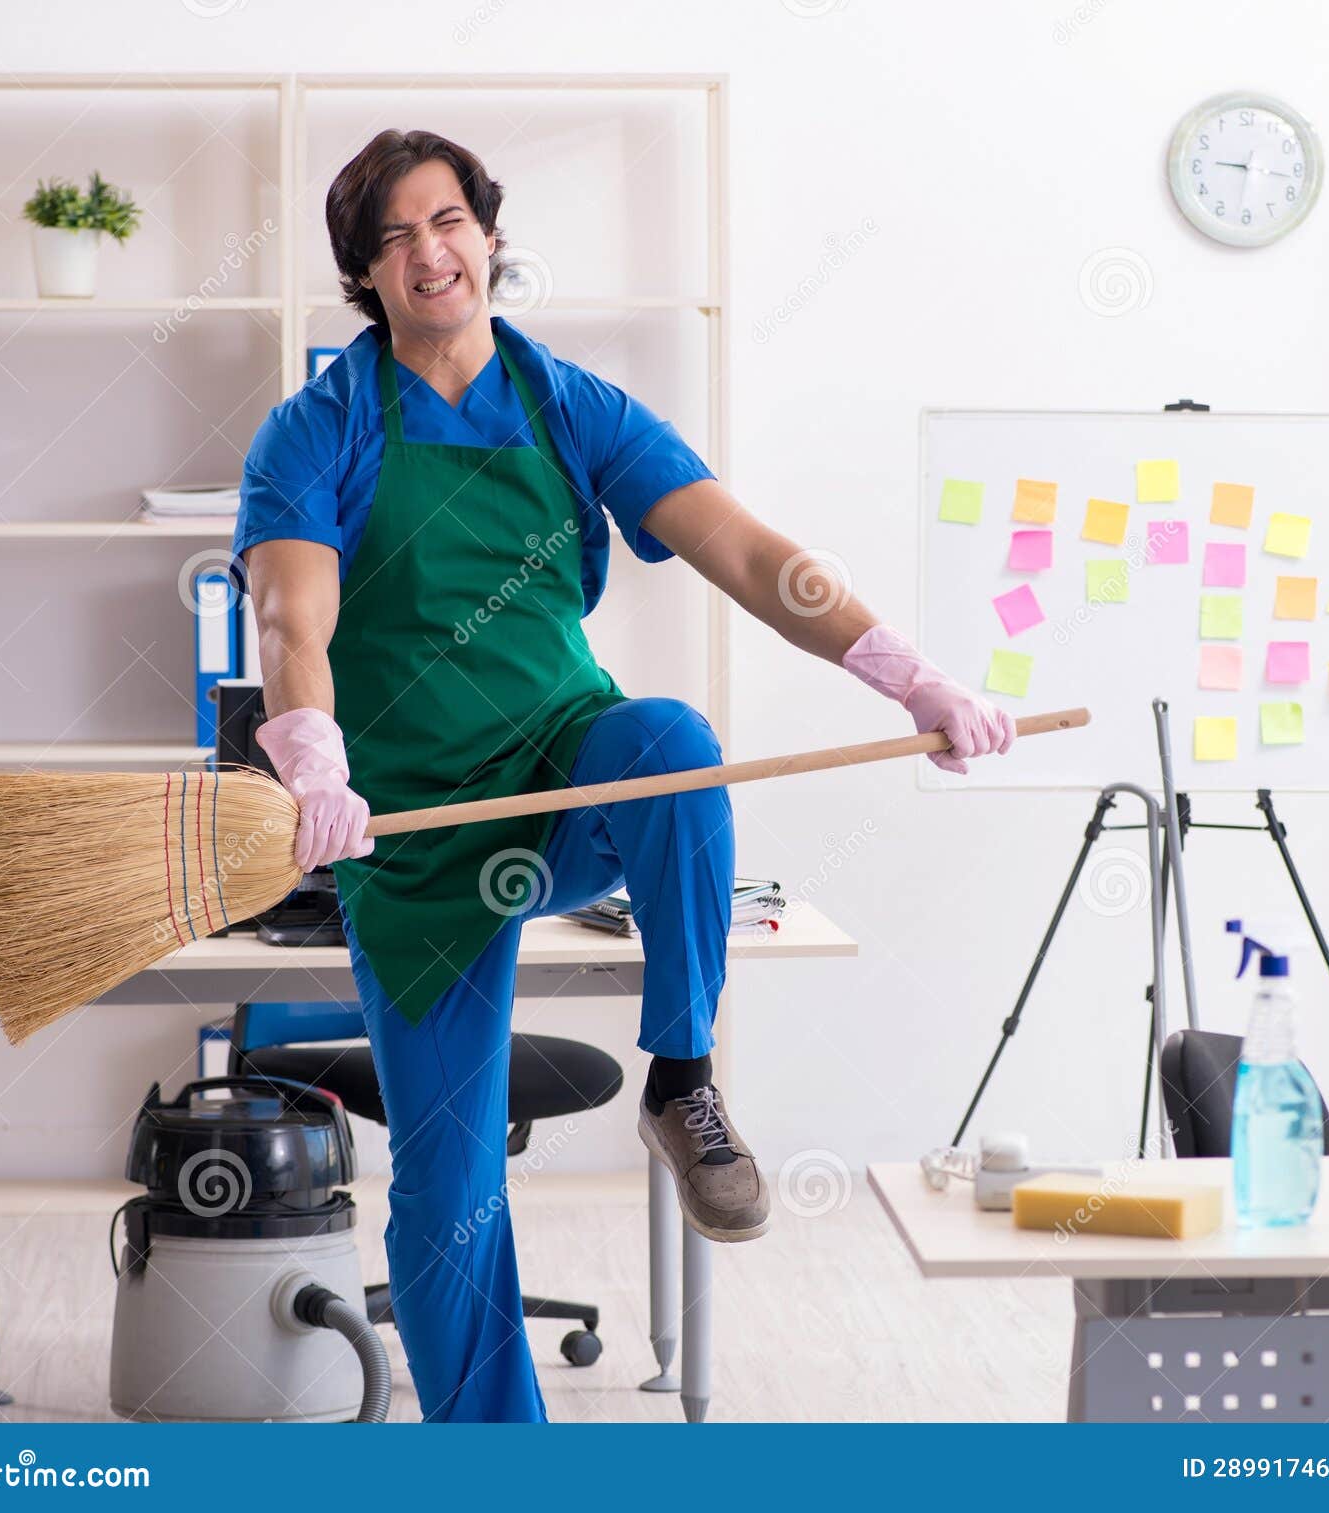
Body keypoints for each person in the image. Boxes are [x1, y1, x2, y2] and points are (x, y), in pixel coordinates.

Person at [234, 128, 1014, 1423]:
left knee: (673, 743)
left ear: (489, 235)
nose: (430, 252)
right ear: (364, 273)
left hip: (558, 780)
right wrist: (313, 753)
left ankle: (683, 1078)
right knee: (448, 1183)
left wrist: (909, 675)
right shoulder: (317, 429)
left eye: (449, 220)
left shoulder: (567, 404)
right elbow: (288, 617)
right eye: (395, 236)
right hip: (409, 839)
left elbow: (749, 553)